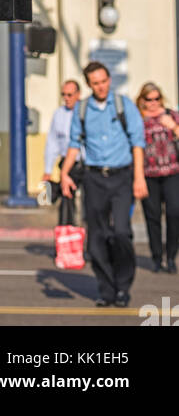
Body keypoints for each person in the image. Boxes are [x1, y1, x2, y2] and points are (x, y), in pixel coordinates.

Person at [61, 61, 146, 308]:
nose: (101, 87)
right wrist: (64, 174)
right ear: (89, 84)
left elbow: (137, 143)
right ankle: (107, 289)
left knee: (121, 232)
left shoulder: (123, 105)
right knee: (97, 236)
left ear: (109, 80)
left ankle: (123, 287)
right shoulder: (82, 109)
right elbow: (74, 145)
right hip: (94, 178)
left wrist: (139, 178)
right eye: (95, 83)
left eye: (104, 81)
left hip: (121, 177)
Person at [136, 81, 179, 274]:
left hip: (172, 172)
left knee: (174, 213)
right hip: (149, 175)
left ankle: (171, 256)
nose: (153, 103)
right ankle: (156, 257)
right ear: (142, 100)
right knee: (152, 216)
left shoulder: (171, 115)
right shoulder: (137, 119)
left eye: (157, 99)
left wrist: (174, 127)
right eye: (149, 99)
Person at [43, 80, 83, 224]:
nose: (66, 98)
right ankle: (67, 234)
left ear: (78, 95)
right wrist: (47, 170)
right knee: (66, 201)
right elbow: (52, 142)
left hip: (85, 162)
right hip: (67, 163)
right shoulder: (59, 114)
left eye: (70, 95)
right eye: (63, 95)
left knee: (90, 202)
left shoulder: (85, 111)